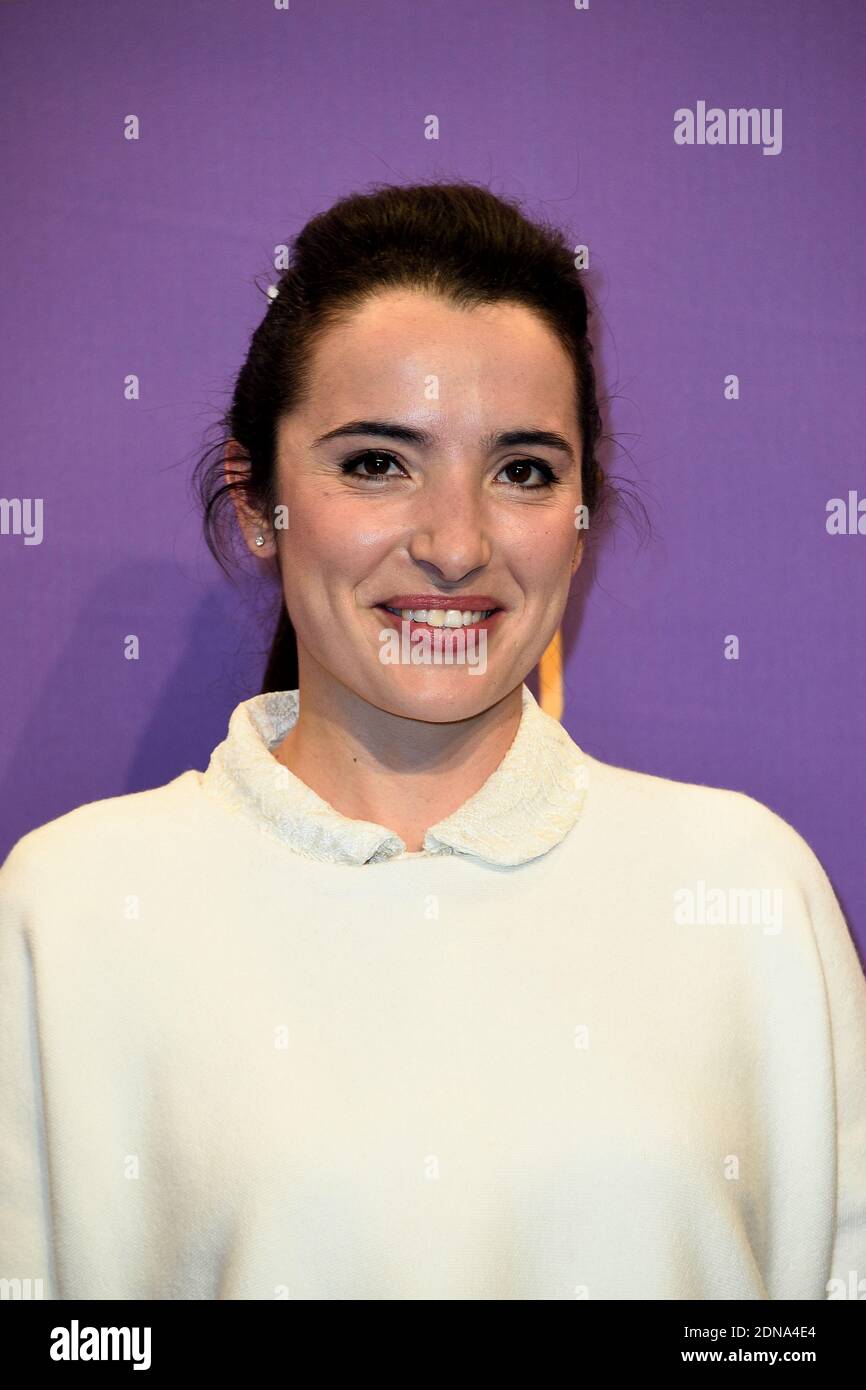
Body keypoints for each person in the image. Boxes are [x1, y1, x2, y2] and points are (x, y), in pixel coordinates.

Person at [1, 181, 864, 1301]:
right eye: (375, 462)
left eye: (522, 471)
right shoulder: (67, 909)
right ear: (257, 498)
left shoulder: (748, 889)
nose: (455, 544)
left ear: (579, 511)